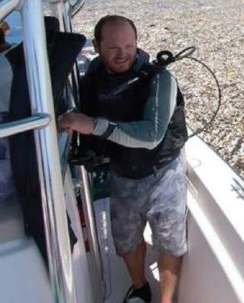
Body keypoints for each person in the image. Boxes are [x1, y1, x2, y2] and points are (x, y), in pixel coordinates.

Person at [59, 15, 188, 303]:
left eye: (129, 46)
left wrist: (92, 125)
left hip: (163, 172)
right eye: (114, 47)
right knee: (126, 240)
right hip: (122, 172)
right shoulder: (94, 75)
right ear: (97, 46)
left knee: (169, 241)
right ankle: (140, 288)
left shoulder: (159, 79)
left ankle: (166, 300)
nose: (123, 54)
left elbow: (152, 134)